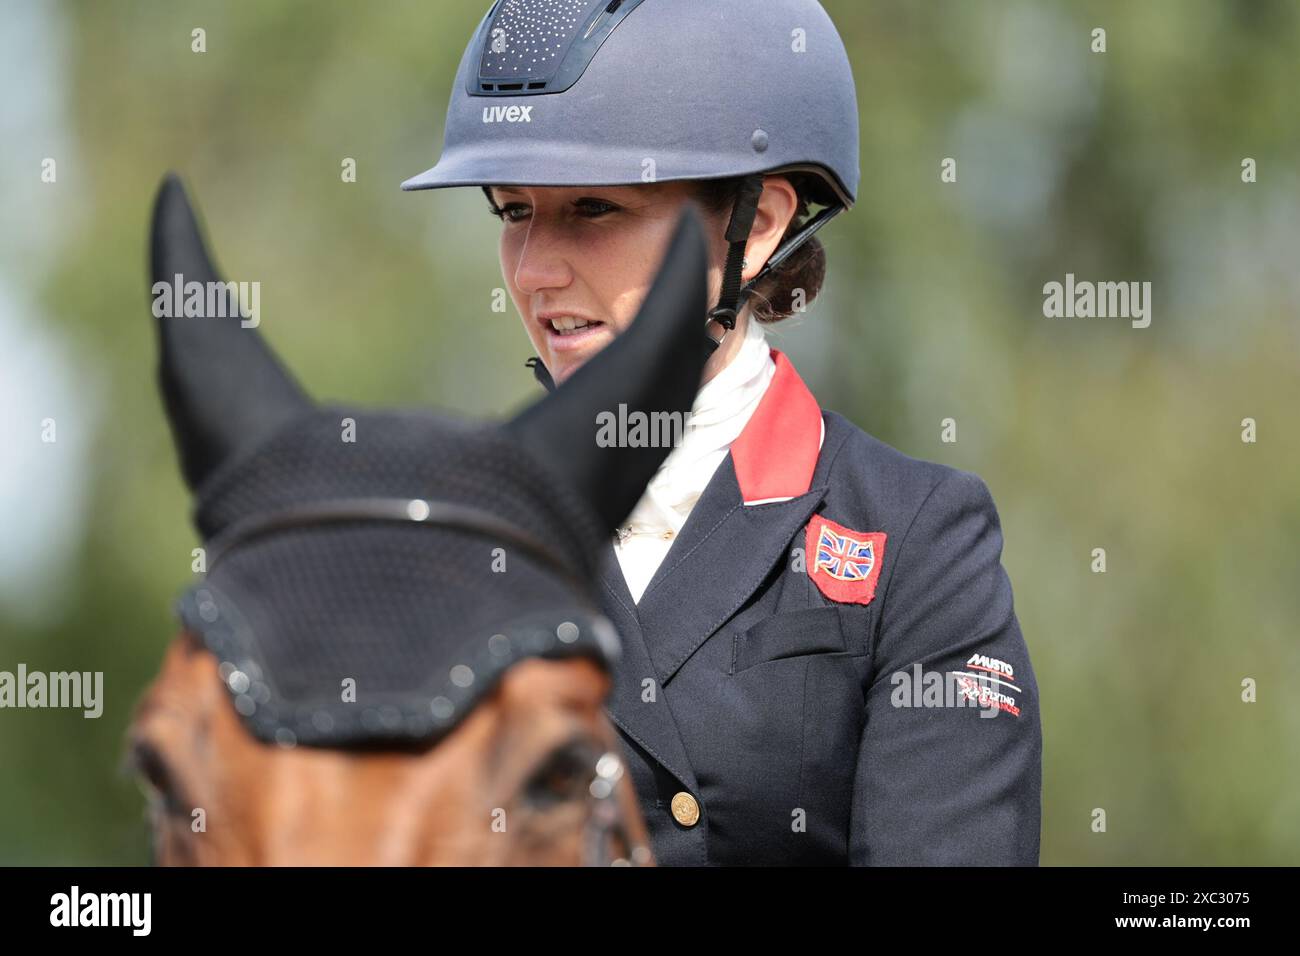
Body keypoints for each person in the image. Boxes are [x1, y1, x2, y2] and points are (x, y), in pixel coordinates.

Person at [402, 0, 1042, 865]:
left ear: (761, 222)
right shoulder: (439, 536)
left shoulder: (918, 543)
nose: (536, 271)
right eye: (514, 212)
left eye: (594, 208)